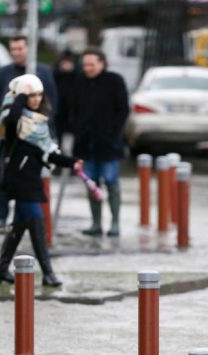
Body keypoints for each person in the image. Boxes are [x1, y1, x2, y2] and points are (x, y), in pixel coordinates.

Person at [0, 74, 82, 287]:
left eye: (39, 95)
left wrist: (72, 163)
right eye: (30, 95)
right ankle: (48, 273)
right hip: (18, 181)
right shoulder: (12, 118)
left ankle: (1, 270)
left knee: (20, 226)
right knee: (36, 222)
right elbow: (12, 122)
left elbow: (48, 152)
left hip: (32, 179)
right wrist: (20, 99)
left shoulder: (39, 123)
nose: (36, 99)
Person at [0, 35, 58, 235]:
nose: (16, 53)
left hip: (35, 136)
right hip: (11, 137)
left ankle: (30, 220)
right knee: (5, 178)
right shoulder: (4, 73)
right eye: (13, 49)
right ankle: (3, 219)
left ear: (29, 49)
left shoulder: (43, 72)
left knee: (33, 180)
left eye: (20, 48)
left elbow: (51, 102)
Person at [68, 47, 129, 237]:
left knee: (111, 182)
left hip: (108, 144)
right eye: (85, 64)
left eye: (91, 64)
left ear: (102, 63)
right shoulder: (78, 83)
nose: (88, 68)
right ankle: (96, 223)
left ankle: (115, 223)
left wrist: (113, 132)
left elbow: (123, 110)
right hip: (85, 144)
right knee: (91, 184)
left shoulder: (114, 81)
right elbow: (71, 109)